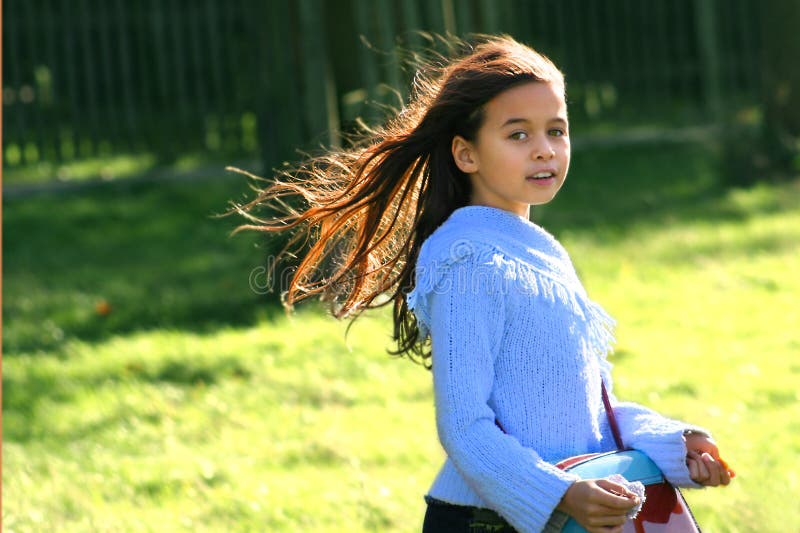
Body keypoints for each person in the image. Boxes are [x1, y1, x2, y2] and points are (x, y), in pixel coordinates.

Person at [232, 35, 734, 533]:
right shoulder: (470, 261)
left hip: (565, 508)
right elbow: (464, 428)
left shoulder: (538, 252)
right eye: (518, 135)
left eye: (556, 131)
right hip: (485, 520)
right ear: (466, 154)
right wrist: (560, 495)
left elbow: (583, 412)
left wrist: (674, 444)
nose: (544, 151)